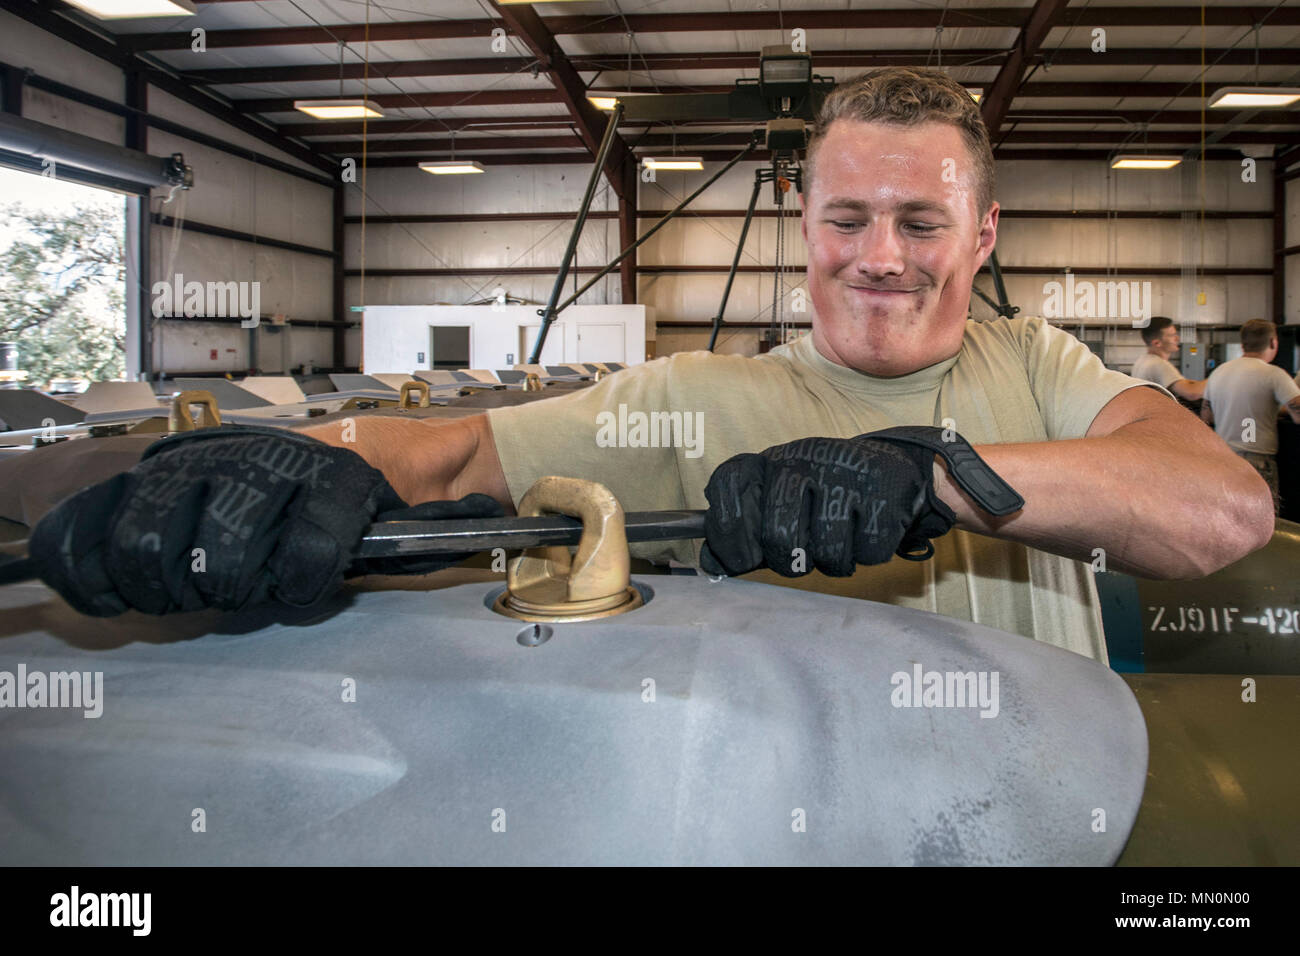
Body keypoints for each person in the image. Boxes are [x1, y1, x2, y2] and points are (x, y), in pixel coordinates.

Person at [28, 68, 1274, 666]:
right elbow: (456, 443)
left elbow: (1221, 507)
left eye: (921, 222)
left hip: (1060, 811)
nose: (879, 258)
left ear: (984, 232)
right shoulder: (695, 399)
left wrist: (926, 476)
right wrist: (290, 459)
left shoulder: (1042, 367)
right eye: (846, 219)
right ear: (805, 223)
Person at [1201, 319, 1300, 514]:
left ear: (1242, 344)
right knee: (1262, 521)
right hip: (1257, 463)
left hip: (1223, 458)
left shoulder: (1219, 372)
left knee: (1229, 516)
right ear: (1273, 342)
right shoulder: (1273, 374)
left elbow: (1207, 416)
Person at [1131, 316, 1207, 403]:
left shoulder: (1143, 360)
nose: (1177, 339)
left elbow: (1183, 383)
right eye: (1172, 335)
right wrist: (1216, 377)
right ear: (1157, 343)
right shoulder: (1158, 364)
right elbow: (1192, 393)